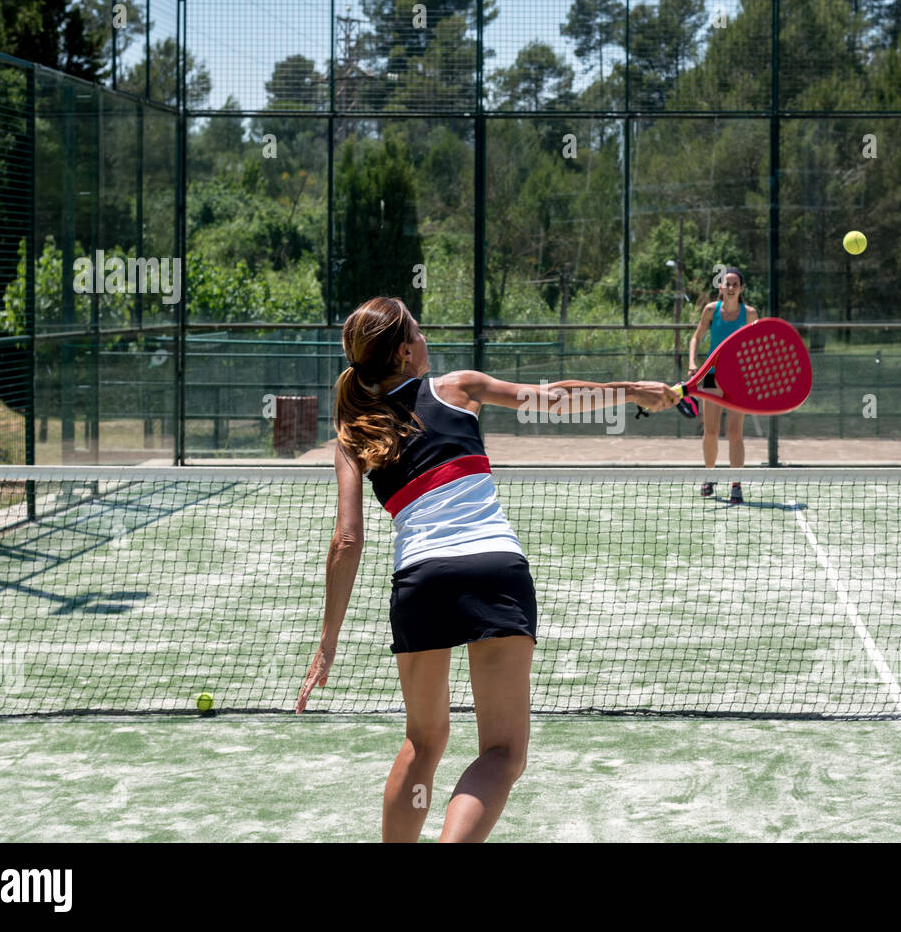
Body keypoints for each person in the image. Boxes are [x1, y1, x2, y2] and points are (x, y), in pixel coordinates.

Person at [295, 296, 678, 842]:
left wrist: (328, 639)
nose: (427, 341)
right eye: (420, 333)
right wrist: (636, 391)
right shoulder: (457, 388)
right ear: (405, 352)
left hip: (421, 584)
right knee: (501, 753)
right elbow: (552, 399)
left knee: (423, 745)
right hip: (494, 571)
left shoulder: (353, 436)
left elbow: (347, 539)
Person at [687, 267, 759, 504]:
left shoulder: (749, 314)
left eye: (735, 284)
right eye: (727, 284)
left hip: (738, 378)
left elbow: (756, 346)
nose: (730, 287)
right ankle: (709, 477)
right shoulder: (710, 310)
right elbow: (696, 337)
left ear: (741, 288)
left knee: (735, 432)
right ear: (720, 287)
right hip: (710, 375)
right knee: (710, 432)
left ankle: (736, 484)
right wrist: (692, 363)